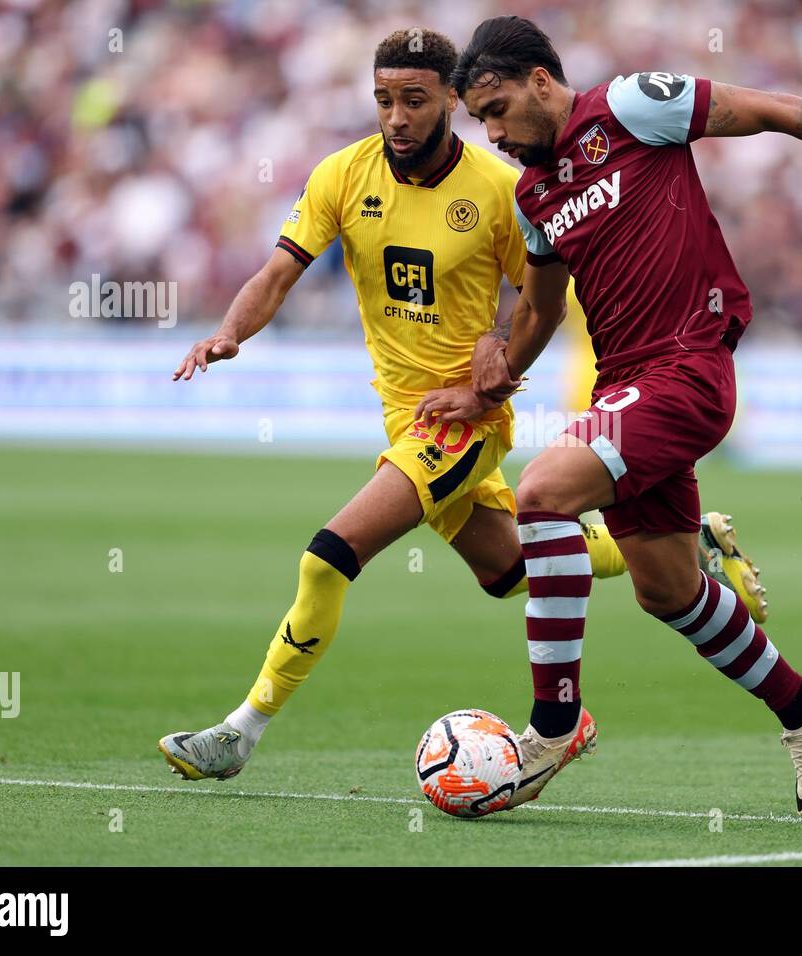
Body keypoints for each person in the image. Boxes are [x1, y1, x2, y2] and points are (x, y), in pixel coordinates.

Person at [157, 28, 763, 782]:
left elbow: (544, 301)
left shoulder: (499, 189)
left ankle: (239, 733)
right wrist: (228, 333)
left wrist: (494, 372)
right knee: (508, 571)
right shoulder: (342, 176)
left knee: (328, 558)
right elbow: (278, 273)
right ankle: (692, 543)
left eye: (414, 100)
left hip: (458, 425)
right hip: (401, 417)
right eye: (383, 100)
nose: (396, 117)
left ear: (453, 98)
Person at [420, 15, 802, 814]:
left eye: (499, 109)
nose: (495, 133)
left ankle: (552, 725)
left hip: (689, 368)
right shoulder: (533, 196)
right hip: (624, 386)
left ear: (541, 83)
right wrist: (491, 376)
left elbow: (774, 110)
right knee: (667, 590)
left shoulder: (628, 107)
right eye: (482, 121)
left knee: (541, 492)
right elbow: (540, 315)